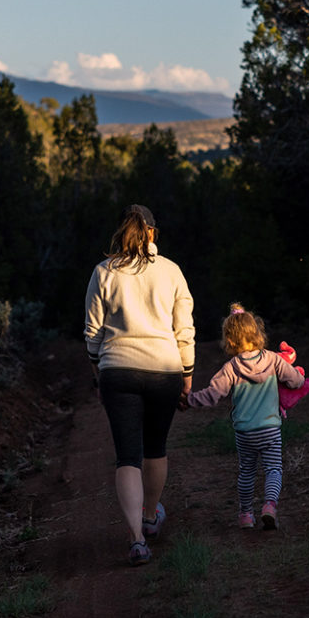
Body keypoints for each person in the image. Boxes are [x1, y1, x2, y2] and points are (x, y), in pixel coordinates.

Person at [84, 204, 195, 566]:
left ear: (121, 231)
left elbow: (92, 333)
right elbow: (184, 330)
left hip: (118, 371)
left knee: (127, 456)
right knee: (156, 448)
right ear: (151, 232)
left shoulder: (104, 272)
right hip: (165, 369)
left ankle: (136, 540)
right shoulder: (171, 271)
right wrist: (187, 376)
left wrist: (99, 373)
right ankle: (150, 517)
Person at [182, 303, 306, 530]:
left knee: (247, 472)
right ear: (257, 332)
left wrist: (188, 400)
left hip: (244, 431)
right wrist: (297, 377)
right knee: (273, 469)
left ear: (230, 340)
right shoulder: (273, 359)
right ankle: (269, 505)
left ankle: (246, 515)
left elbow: (213, 394)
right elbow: (296, 381)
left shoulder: (231, 368)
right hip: (270, 429)